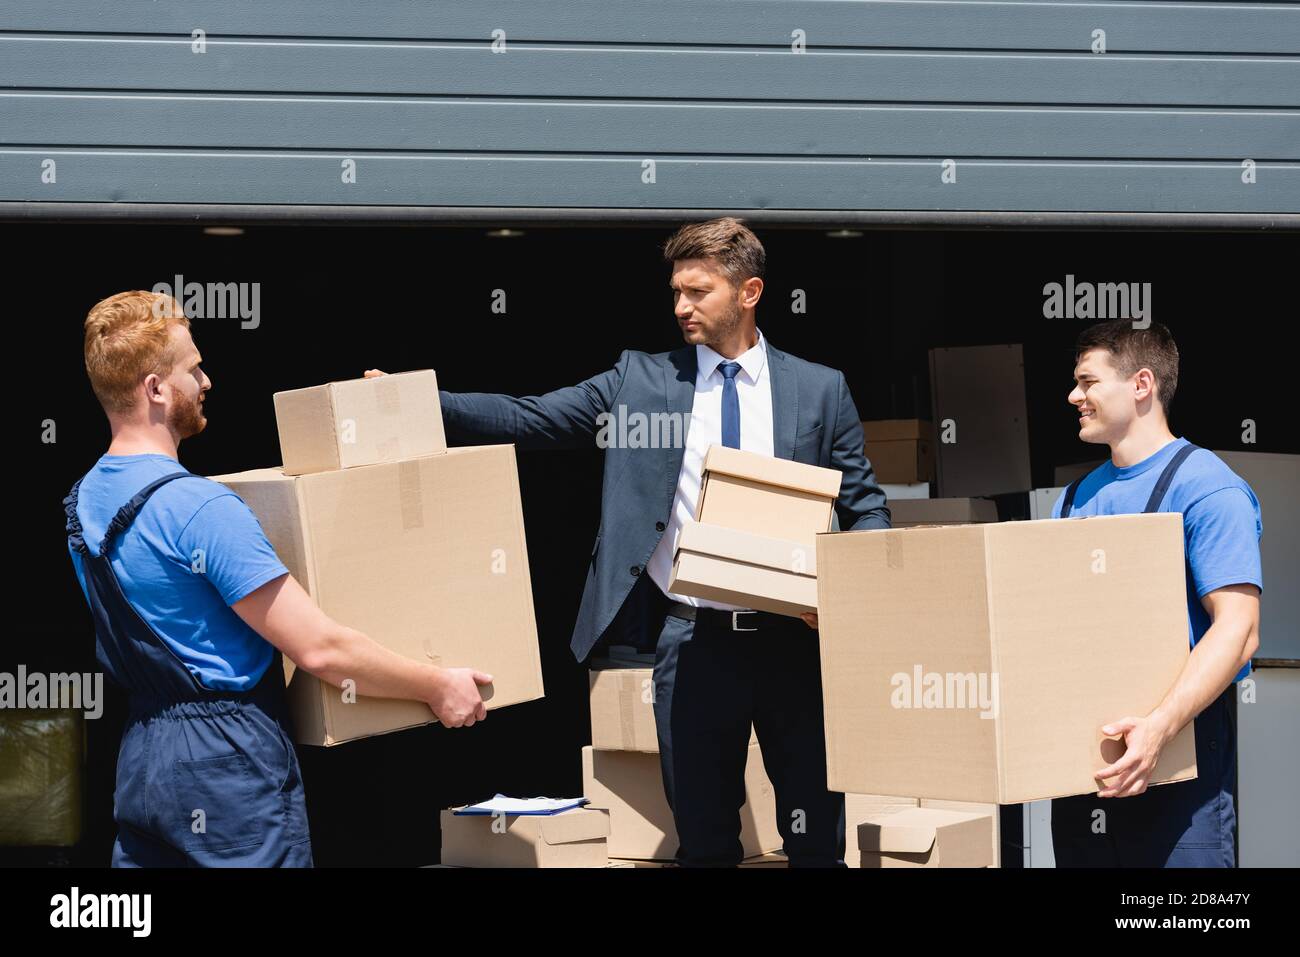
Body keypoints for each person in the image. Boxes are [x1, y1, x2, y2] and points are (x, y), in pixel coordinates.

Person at [369, 217, 890, 866]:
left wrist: (847, 598)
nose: (681, 306)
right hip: (693, 645)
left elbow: (866, 507)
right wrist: (419, 401)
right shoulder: (640, 380)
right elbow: (530, 416)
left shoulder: (819, 389)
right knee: (703, 841)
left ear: (749, 291)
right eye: (675, 290)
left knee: (817, 840)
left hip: (795, 646)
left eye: (698, 291)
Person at [67, 290, 491, 867]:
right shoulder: (201, 508)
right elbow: (320, 648)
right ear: (156, 389)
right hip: (226, 759)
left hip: (144, 757)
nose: (206, 380)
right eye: (193, 368)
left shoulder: (84, 501)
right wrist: (437, 686)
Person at [1049, 319, 1261, 867]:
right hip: (1085, 772)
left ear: (1141, 384)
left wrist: (1157, 730)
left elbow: (1238, 632)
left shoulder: (1209, 489)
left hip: (1179, 771)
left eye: (1088, 382)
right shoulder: (1073, 500)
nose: (1075, 396)